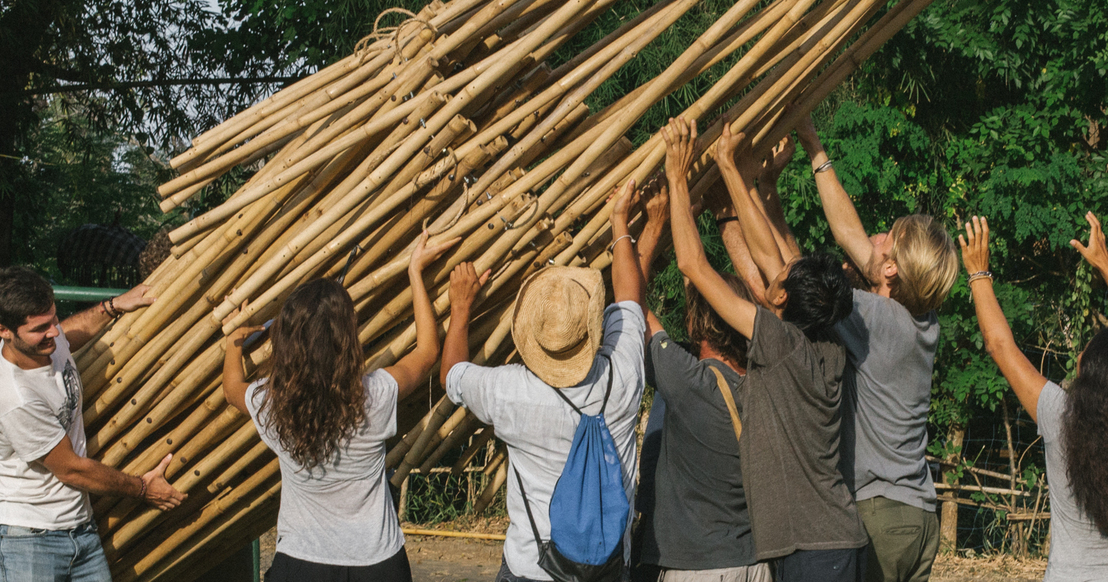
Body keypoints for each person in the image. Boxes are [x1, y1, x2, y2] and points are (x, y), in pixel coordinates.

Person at [664, 116, 867, 582]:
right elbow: (773, 260)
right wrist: (730, 169)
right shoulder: (825, 336)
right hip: (828, 539)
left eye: (774, 284)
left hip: (814, 550)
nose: (768, 278)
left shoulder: (780, 342)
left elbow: (693, 265)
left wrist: (677, 177)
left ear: (780, 300)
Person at [222, 226, 462, 582]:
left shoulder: (270, 403)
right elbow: (427, 352)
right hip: (377, 564)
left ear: (288, 341)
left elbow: (231, 389)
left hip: (301, 564)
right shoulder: (373, 395)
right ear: (347, 337)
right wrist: (414, 272)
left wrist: (233, 344)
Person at [442, 178, 648, 582]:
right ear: (590, 330)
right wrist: (619, 219)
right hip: (607, 572)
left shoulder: (511, 392)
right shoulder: (622, 375)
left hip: (531, 570)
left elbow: (452, 376)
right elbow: (629, 300)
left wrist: (461, 308)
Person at [961, 213, 1108, 582]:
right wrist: (1106, 267)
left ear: (1089, 376)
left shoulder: (1061, 415)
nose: (1080, 355)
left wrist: (978, 273)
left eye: (1085, 354)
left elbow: (1000, 346)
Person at [788, 116, 957, 582]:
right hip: (920, 514)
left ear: (893, 271)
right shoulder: (921, 321)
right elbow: (850, 235)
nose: (875, 240)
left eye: (888, 239)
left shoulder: (878, 321)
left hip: (881, 510)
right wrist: (813, 146)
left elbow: (797, 275)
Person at [0, 266, 185, 582]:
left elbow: (68, 331)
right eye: (40, 328)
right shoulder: (15, 397)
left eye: (52, 319)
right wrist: (143, 488)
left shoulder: (43, 340)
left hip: (79, 529)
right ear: (3, 330)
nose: (53, 332)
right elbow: (71, 469)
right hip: (28, 541)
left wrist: (112, 306)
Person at [631, 179, 771, 582]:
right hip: (755, 565)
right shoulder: (767, 381)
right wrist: (686, 227)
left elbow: (630, 305)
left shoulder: (691, 383)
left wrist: (654, 226)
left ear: (694, 325)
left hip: (698, 570)